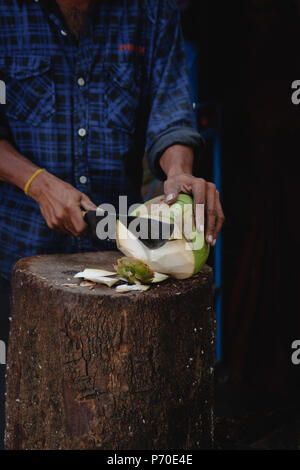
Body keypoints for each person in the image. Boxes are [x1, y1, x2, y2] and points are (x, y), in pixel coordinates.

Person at [0, 0, 224, 448]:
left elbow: (172, 113)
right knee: (24, 412)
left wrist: (178, 171)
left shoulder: (150, 10)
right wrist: (38, 184)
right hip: (16, 255)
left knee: (119, 424)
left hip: (115, 258)